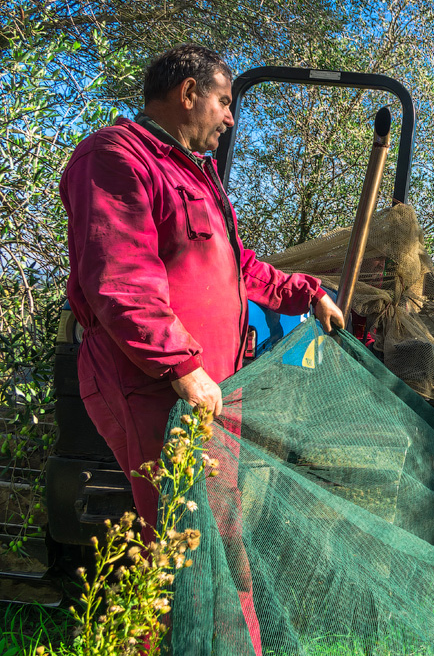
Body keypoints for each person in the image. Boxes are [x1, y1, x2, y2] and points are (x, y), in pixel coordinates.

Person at [60, 44, 345, 650]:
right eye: (224, 101)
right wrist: (182, 368)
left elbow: (235, 270)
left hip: (209, 392)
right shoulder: (115, 158)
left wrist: (305, 292)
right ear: (188, 94)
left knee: (218, 536)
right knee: (184, 538)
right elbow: (119, 278)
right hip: (154, 387)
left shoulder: (193, 174)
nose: (231, 118)